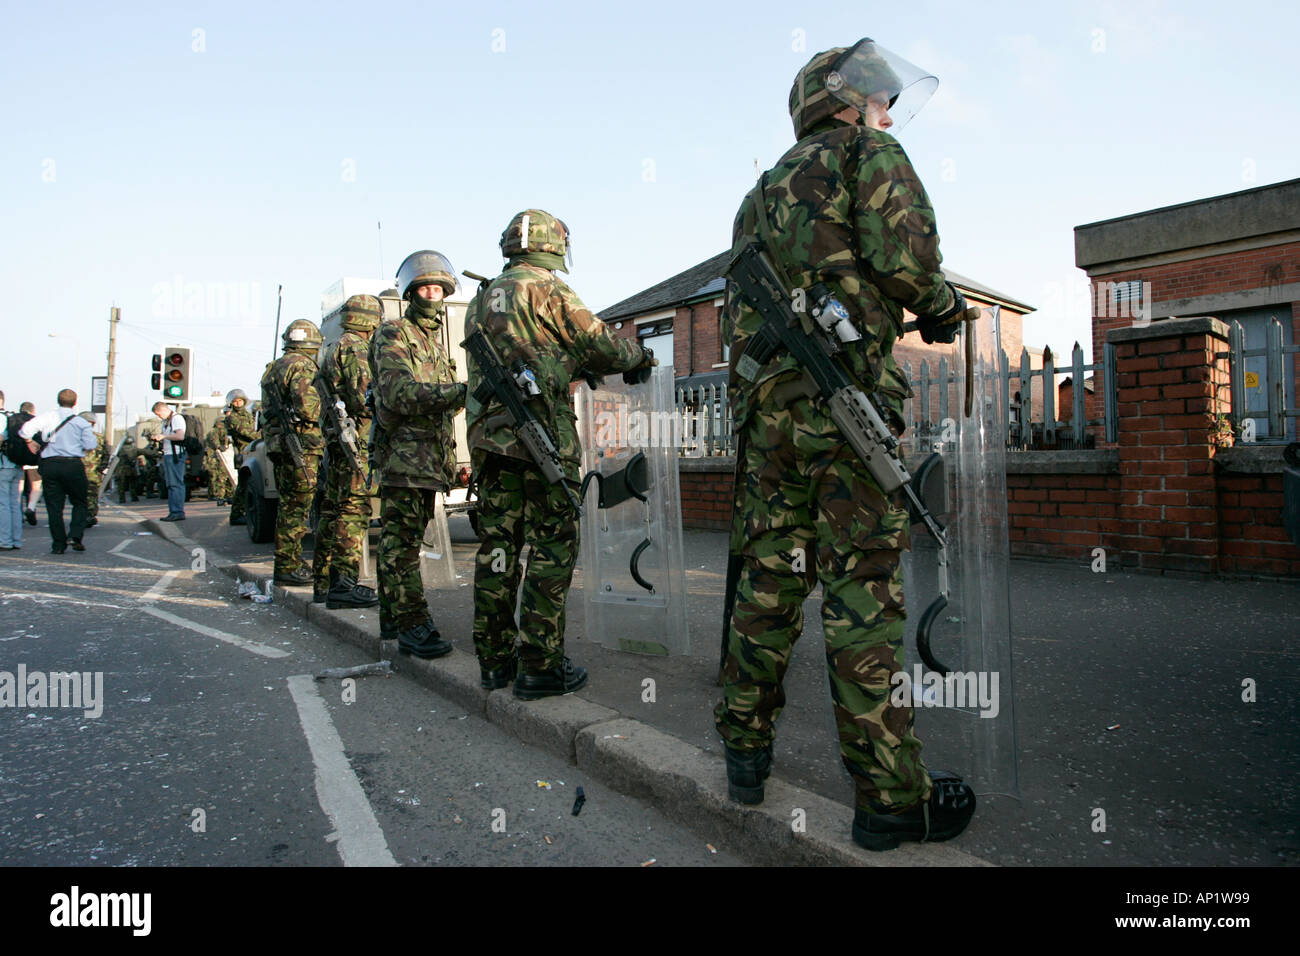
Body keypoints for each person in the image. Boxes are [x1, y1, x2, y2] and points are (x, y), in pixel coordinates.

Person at [714, 39, 979, 851]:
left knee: (767, 585)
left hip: (769, 422)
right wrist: (941, 308)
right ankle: (890, 798)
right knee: (861, 594)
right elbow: (907, 262)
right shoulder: (870, 152)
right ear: (846, 101)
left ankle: (744, 750)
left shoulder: (756, 195)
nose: (889, 112)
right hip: (844, 415)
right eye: (880, 98)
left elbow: (737, 319)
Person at [464, 211, 653, 698]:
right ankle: (539, 664)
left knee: (499, 549)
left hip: (491, 440)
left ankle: (493, 661)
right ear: (554, 246)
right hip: (541, 438)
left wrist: (567, 362)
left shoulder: (482, 297)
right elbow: (600, 344)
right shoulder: (546, 288)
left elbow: (526, 353)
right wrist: (639, 357)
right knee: (552, 547)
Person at [371, 252, 466, 657]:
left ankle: (393, 620)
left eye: (440, 289)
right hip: (404, 460)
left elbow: (444, 403)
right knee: (401, 545)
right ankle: (413, 625)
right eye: (427, 288)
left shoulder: (433, 343)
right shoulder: (395, 334)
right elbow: (398, 394)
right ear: (412, 292)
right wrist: (461, 391)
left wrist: (455, 396)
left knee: (404, 542)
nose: (434, 295)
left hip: (427, 461)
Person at [313, 294, 381, 610]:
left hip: (339, 441)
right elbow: (364, 396)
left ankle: (324, 583)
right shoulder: (356, 348)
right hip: (356, 441)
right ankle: (343, 585)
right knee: (354, 511)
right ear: (370, 319)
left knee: (332, 509)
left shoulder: (333, 347)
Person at [260, 320, 324, 586]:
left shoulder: (274, 368)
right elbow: (309, 408)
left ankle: (287, 562)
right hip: (301, 444)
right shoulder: (302, 366)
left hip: (279, 444)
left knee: (288, 505)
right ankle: (288, 566)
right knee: (297, 507)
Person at [18, 389, 97, 553]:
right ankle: (75, 534)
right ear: (75, 403)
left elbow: (24, 430)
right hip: (73, 464)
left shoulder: (47, 417)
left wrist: (29, 442)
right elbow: (91, 445)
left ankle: (58, 544)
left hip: (50, 464)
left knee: (54, 506)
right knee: (79, 502)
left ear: (58, 401)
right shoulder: (81, 422)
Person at [223, 389, 259, 526]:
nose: (238, 403)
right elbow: (249, 433)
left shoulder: (248, 414)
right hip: (244, 453)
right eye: (235, 401)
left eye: (240, 401)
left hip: (253, 451)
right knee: (243, 486)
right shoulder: (232, 418)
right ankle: (236, 514)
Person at [151, 402, 187, 521]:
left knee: (175, 484)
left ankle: (177, 511)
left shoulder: (176, 419)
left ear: (163, 410)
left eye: (158, 414)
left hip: (175, 454)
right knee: (171, 484)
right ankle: (174, 511)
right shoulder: (167, 421)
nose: (159, 417)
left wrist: (164, 437)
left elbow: (180, 436)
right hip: (169, 454)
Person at [0, 391, 24, 550]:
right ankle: (16, 540)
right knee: (15, 503)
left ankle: (5, 541)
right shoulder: (12, 417)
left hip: (3, 466)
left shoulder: (1, 419)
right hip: (17, 464)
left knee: (3, 504)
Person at [80, 413, 104, 527]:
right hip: (94, 472)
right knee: (92, 495)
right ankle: (90, 515)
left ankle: (82, 515)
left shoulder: (75, 437)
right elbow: (106, 455)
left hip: (78, 472)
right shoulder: (99, 438)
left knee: (79, 495)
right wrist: (101, 468)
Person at [204, 414, 234, 504]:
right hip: (215, 458)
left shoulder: (220, 432)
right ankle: (218, 495)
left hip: (221, 457)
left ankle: (225, 494)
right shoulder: (214, 432)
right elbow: (216, 444)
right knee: (218, 477)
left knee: (223, 476)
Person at [115, 436, 140, 503]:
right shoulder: (135, 449)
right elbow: (147, 452)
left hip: (122, 469)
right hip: (131, 469)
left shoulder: (120, 450)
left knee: (121, 485)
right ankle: (134, 497)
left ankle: (122, 499)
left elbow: (115, 459)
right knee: (132, 484)